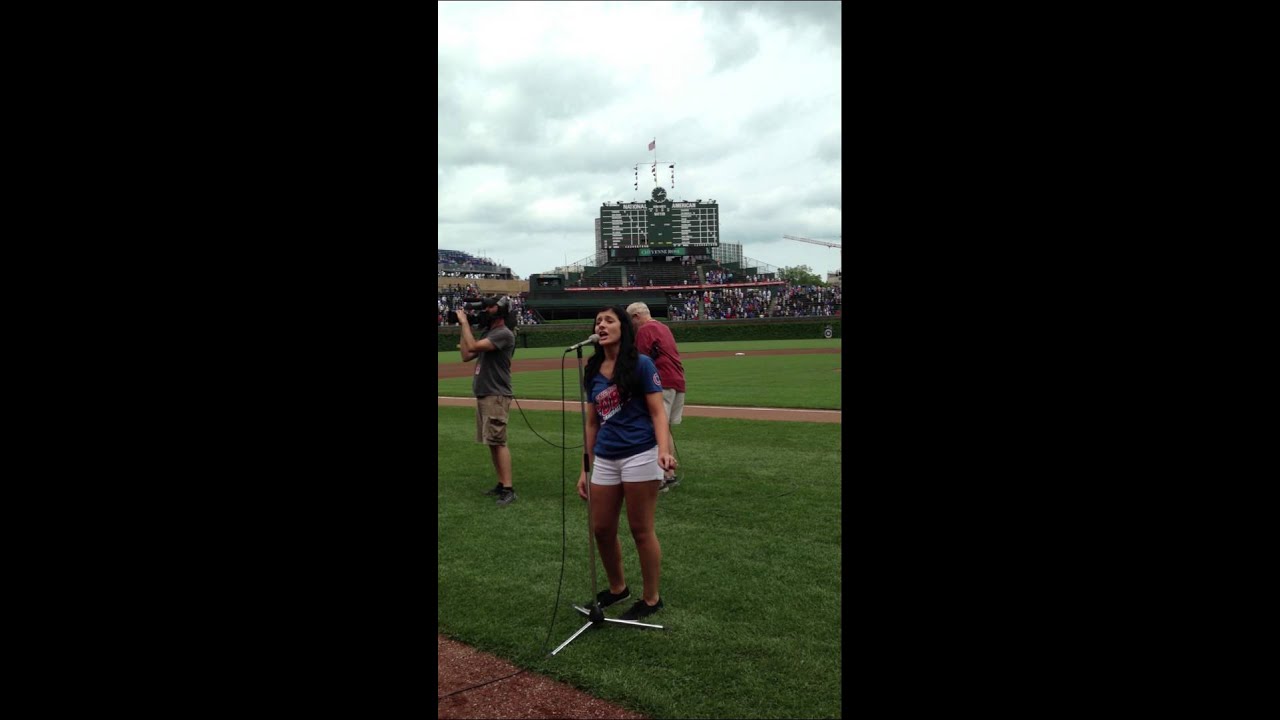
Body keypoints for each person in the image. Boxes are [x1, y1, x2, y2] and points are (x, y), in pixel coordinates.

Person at [576, 305, 676, 621]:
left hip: (640, 454)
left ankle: (651, 598)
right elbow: (592, 422)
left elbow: (658, 412)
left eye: (609, 320)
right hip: (606, 456)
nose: (601, 325)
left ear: (623, 327)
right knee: (602, 528)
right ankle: (618, 588)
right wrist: (585, 467)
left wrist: (663, 450)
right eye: (597, 321)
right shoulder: (592, 368)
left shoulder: (641, 365)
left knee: (640, 529)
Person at [456, 299, 517, 506]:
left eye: (489, 307)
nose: (485, 311)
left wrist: (465, 323)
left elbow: (472, 346)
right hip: (485, 393)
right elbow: (465, 355)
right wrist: (462, 327)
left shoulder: (503, 333)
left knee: (498, 441)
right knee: (492, 441)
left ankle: (509, 488)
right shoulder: (488, 333)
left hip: (496, 393)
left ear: (500, 313)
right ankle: (501, 484)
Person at [626, 301, 686, 492]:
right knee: (664, 428)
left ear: (636, 316)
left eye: (630, 320)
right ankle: (669, 474)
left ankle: (659, 478)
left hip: (661, 382)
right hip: (677, 381)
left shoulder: (645, 329)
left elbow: (640, 360)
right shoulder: (663, 327)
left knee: (654, 428)